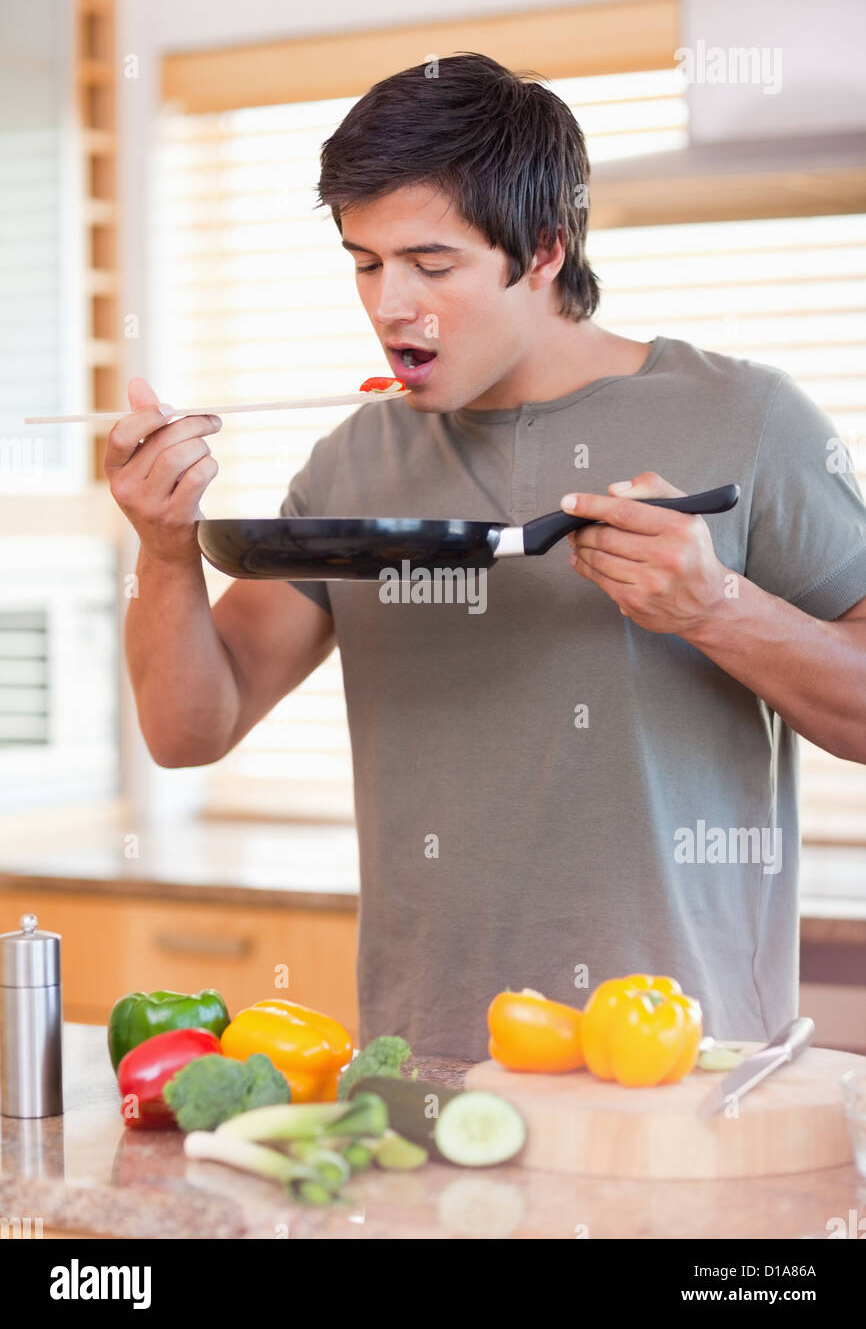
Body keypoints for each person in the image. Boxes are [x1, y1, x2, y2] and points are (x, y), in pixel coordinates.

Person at [110, 53, 866, 1061]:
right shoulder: (353, 458)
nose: (389, 307)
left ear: (543, 248)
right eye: (364, 261)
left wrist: (714, 608)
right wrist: (164, 555)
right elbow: (188, 729)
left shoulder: (748, 419)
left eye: (430, 264)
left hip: (683, 1067)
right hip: (425, 1066)